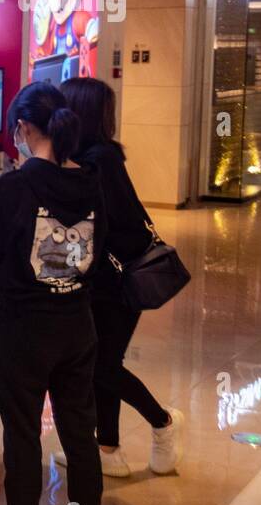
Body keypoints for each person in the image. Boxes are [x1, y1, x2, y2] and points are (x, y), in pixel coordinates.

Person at [0, 82, 107, 505]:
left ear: (25, 129)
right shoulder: (91, 180)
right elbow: (100, 250)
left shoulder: (15, 186)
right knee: (78, 431)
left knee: (24, 429)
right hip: (77, 324)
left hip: (26, 328)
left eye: (17, 131)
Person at [60, 77, 182, 476]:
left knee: (100, 365)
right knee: (101, 359)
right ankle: (108, 448)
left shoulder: (97, 163)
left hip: (117, 281)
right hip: (109, 280)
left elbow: (98, 224)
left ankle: (162, 422)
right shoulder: (100, 155)